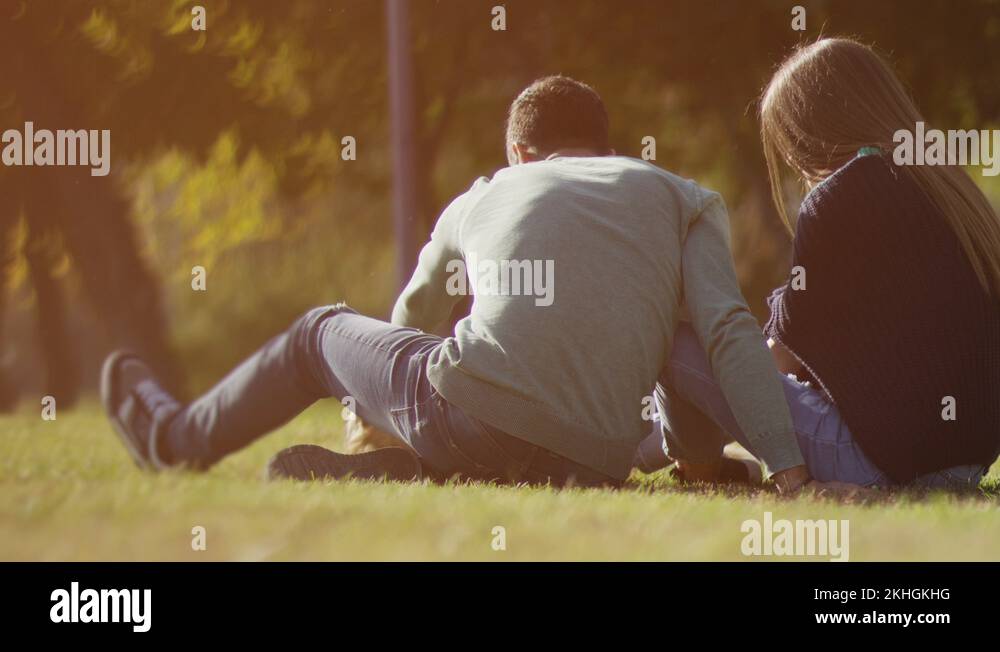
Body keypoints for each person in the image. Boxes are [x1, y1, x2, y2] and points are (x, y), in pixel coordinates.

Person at [101, 75, 812, 493]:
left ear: (520, 151)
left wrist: (373, 420)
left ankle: (174, 439)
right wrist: (788, 470)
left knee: (318, 331)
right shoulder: (679, 198)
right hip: (592, 463)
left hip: (468, 421)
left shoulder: (487, 191)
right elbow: (720, 332)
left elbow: (415, 314)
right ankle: (417, 468)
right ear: (609, 148)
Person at [648, 39, 1000, 491]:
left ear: (807, 132)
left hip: (877, 464)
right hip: (963, 464)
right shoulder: (949, 186)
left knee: (681, 343)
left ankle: (666, 460)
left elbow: (775, 364)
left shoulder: (837, 199)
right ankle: (674, 453)